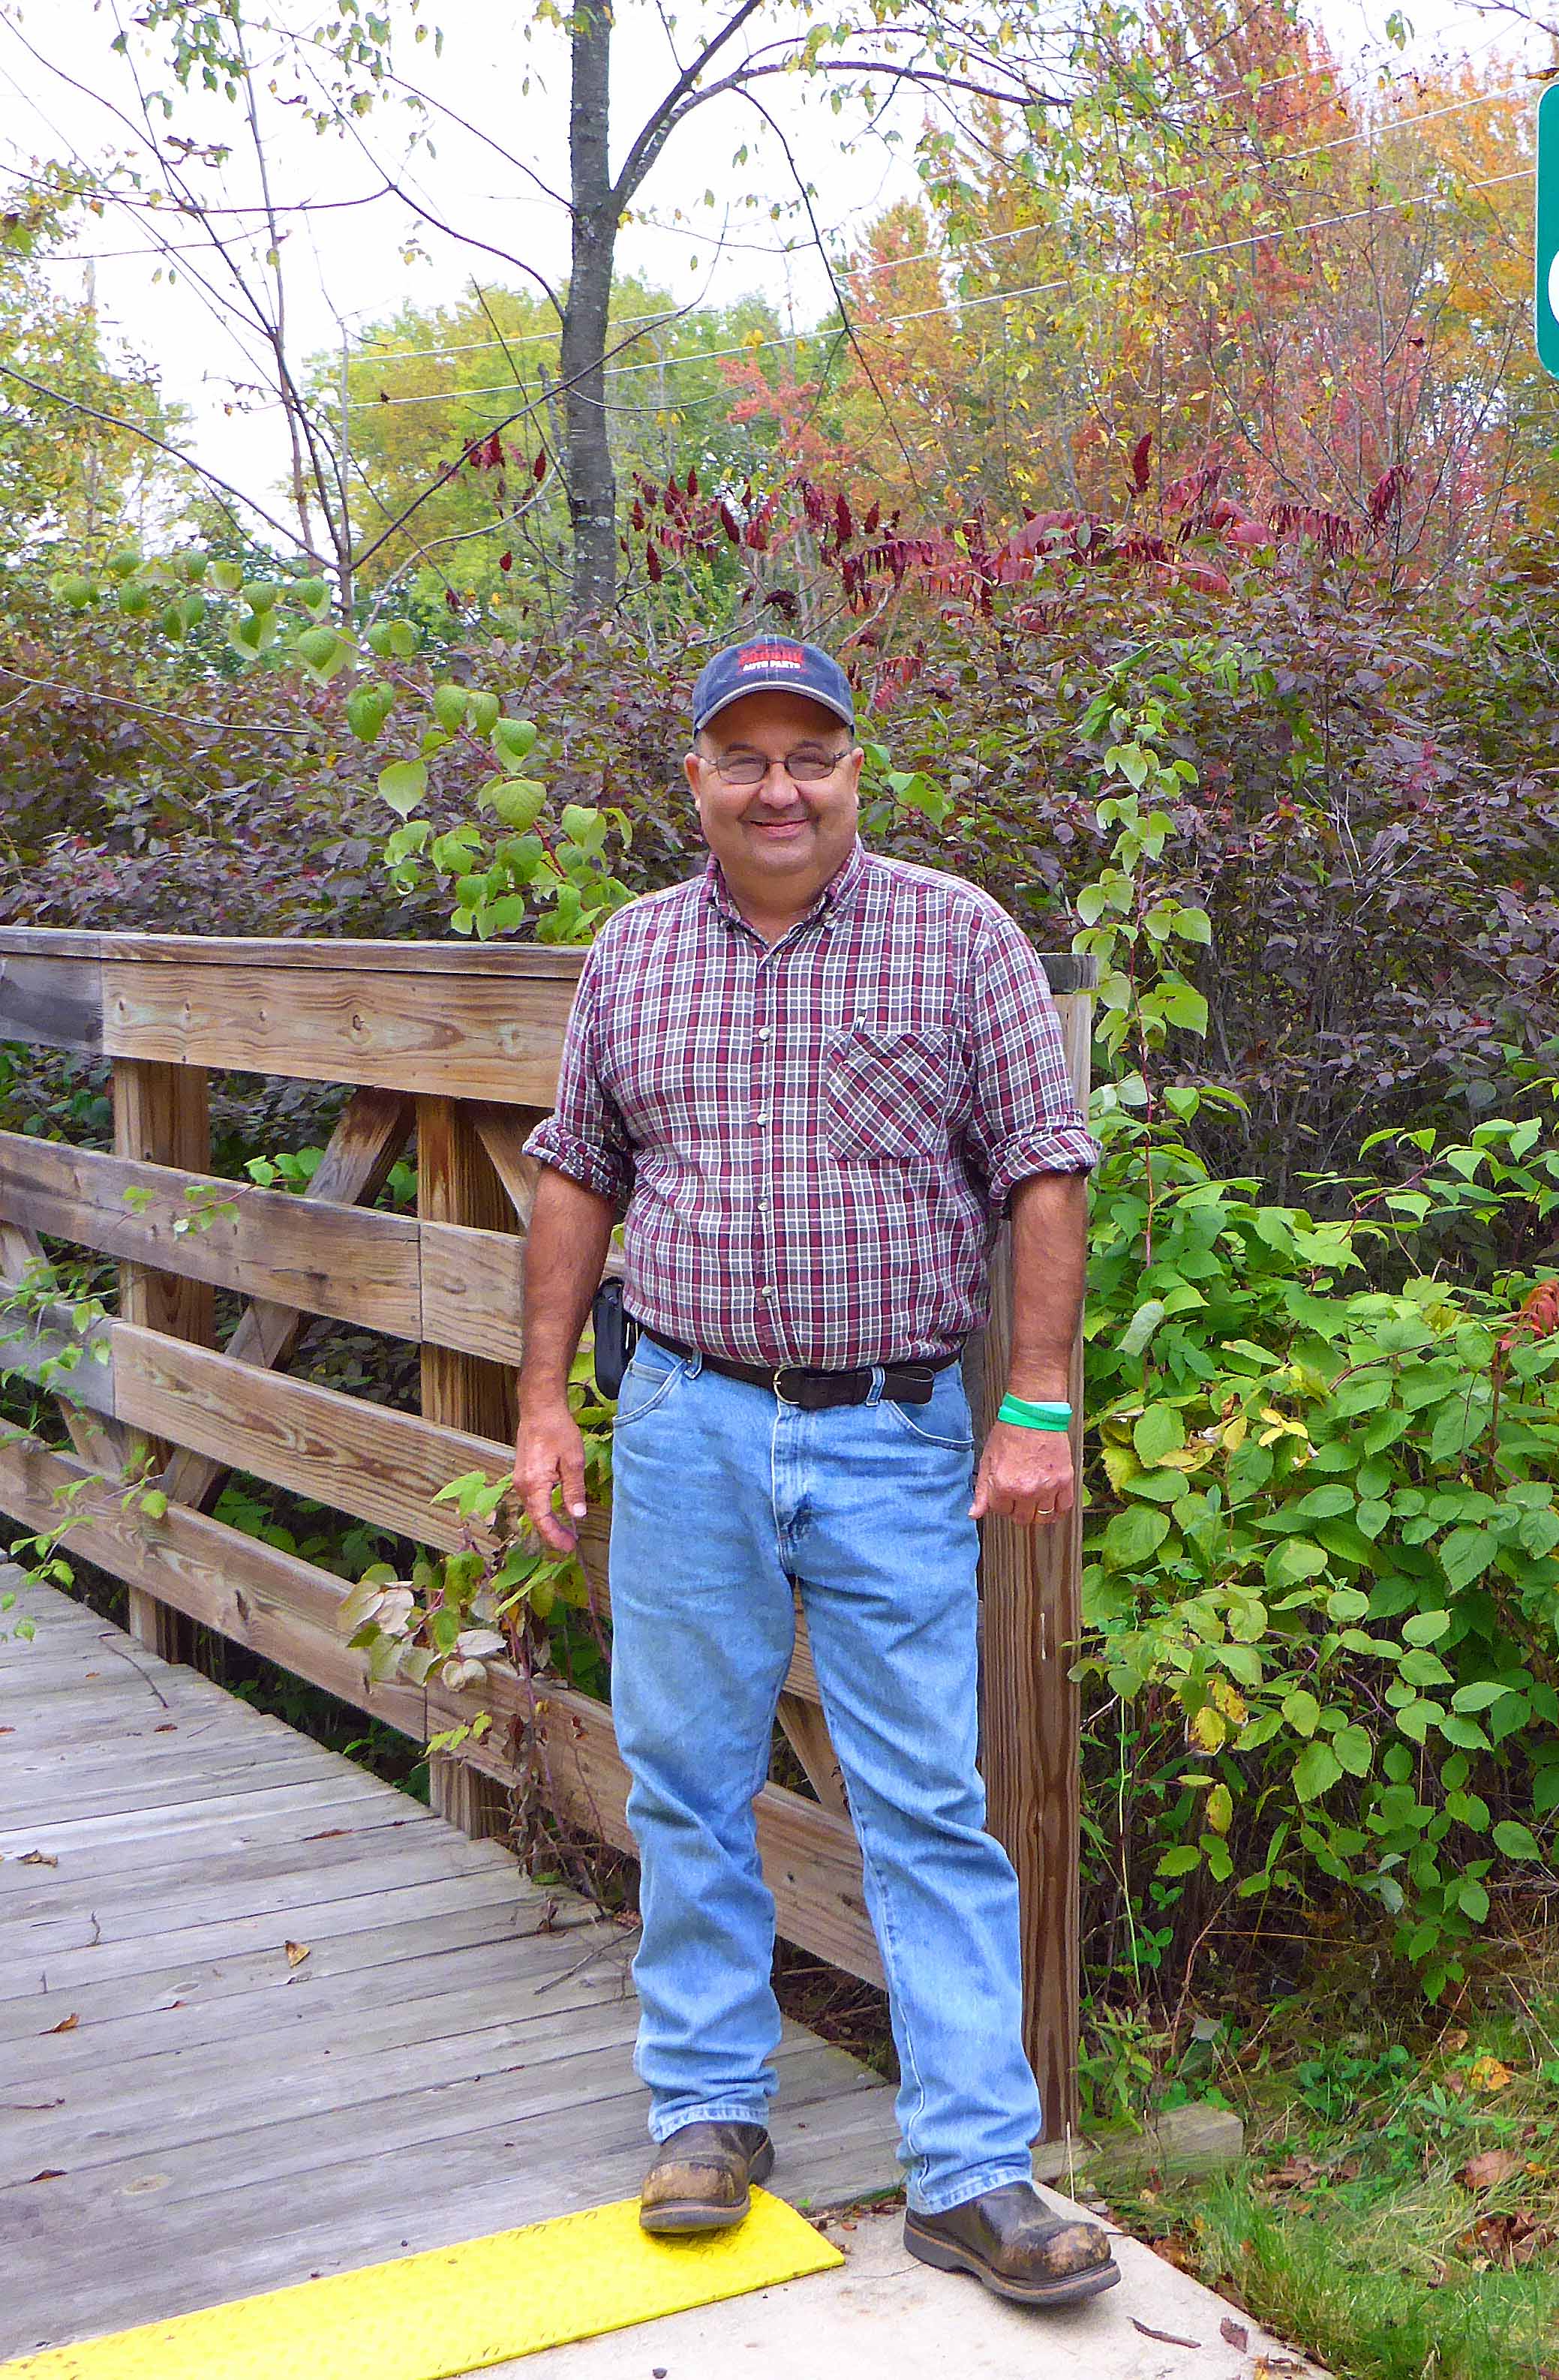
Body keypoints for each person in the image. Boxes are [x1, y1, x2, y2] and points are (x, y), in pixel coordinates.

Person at [512, 634, 1117, 2306]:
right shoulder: (634, 952)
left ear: (857, 769)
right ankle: (707, 2113)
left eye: (812, 755)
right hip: (689, 1420)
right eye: (745, 757)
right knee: (684, 1772)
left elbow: (1044, 1166)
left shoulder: (956, 933)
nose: (780, 788)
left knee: (924, 1794)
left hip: (892, 1426)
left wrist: (1040, 1400)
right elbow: (575, 1172)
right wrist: (545, 1401)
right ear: (693, 777)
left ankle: (972, 2171)